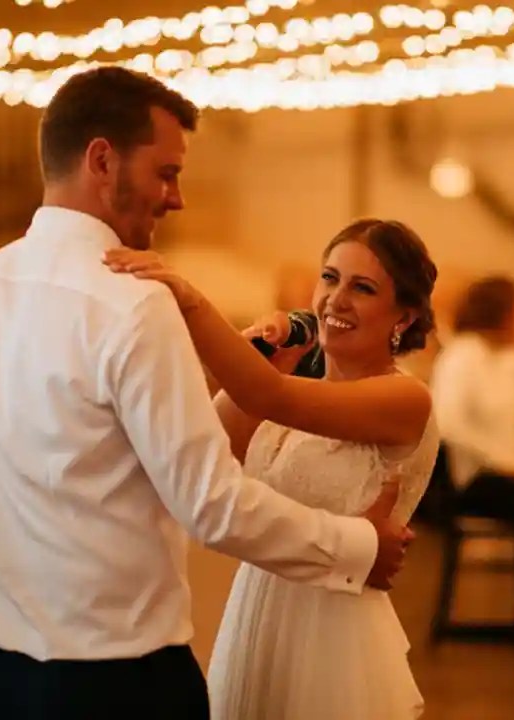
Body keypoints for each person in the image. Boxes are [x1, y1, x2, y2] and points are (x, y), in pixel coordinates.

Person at [0, 66, 411, 720]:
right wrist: (359, 547)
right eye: (166, 174)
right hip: (116, 689)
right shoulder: (135, 304)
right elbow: (211, 505)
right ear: (102, 161)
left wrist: (26, 501)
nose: (177, 199)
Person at [106, 217, 440, 719]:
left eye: (363, 288)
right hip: (258, 609)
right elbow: (204, 446)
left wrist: (192, 302)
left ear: (403, 317)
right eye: (329, 278)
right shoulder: (290, 390)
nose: (336, 300)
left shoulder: (405, 398)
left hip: (333, 630)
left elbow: (268, 395)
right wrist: (267, 358)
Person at [431, 276, 514, 525]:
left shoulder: (503, 358)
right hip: (477, 477)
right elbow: (450, 424)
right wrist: (508, 466)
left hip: (508, 471)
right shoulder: (462, 354)